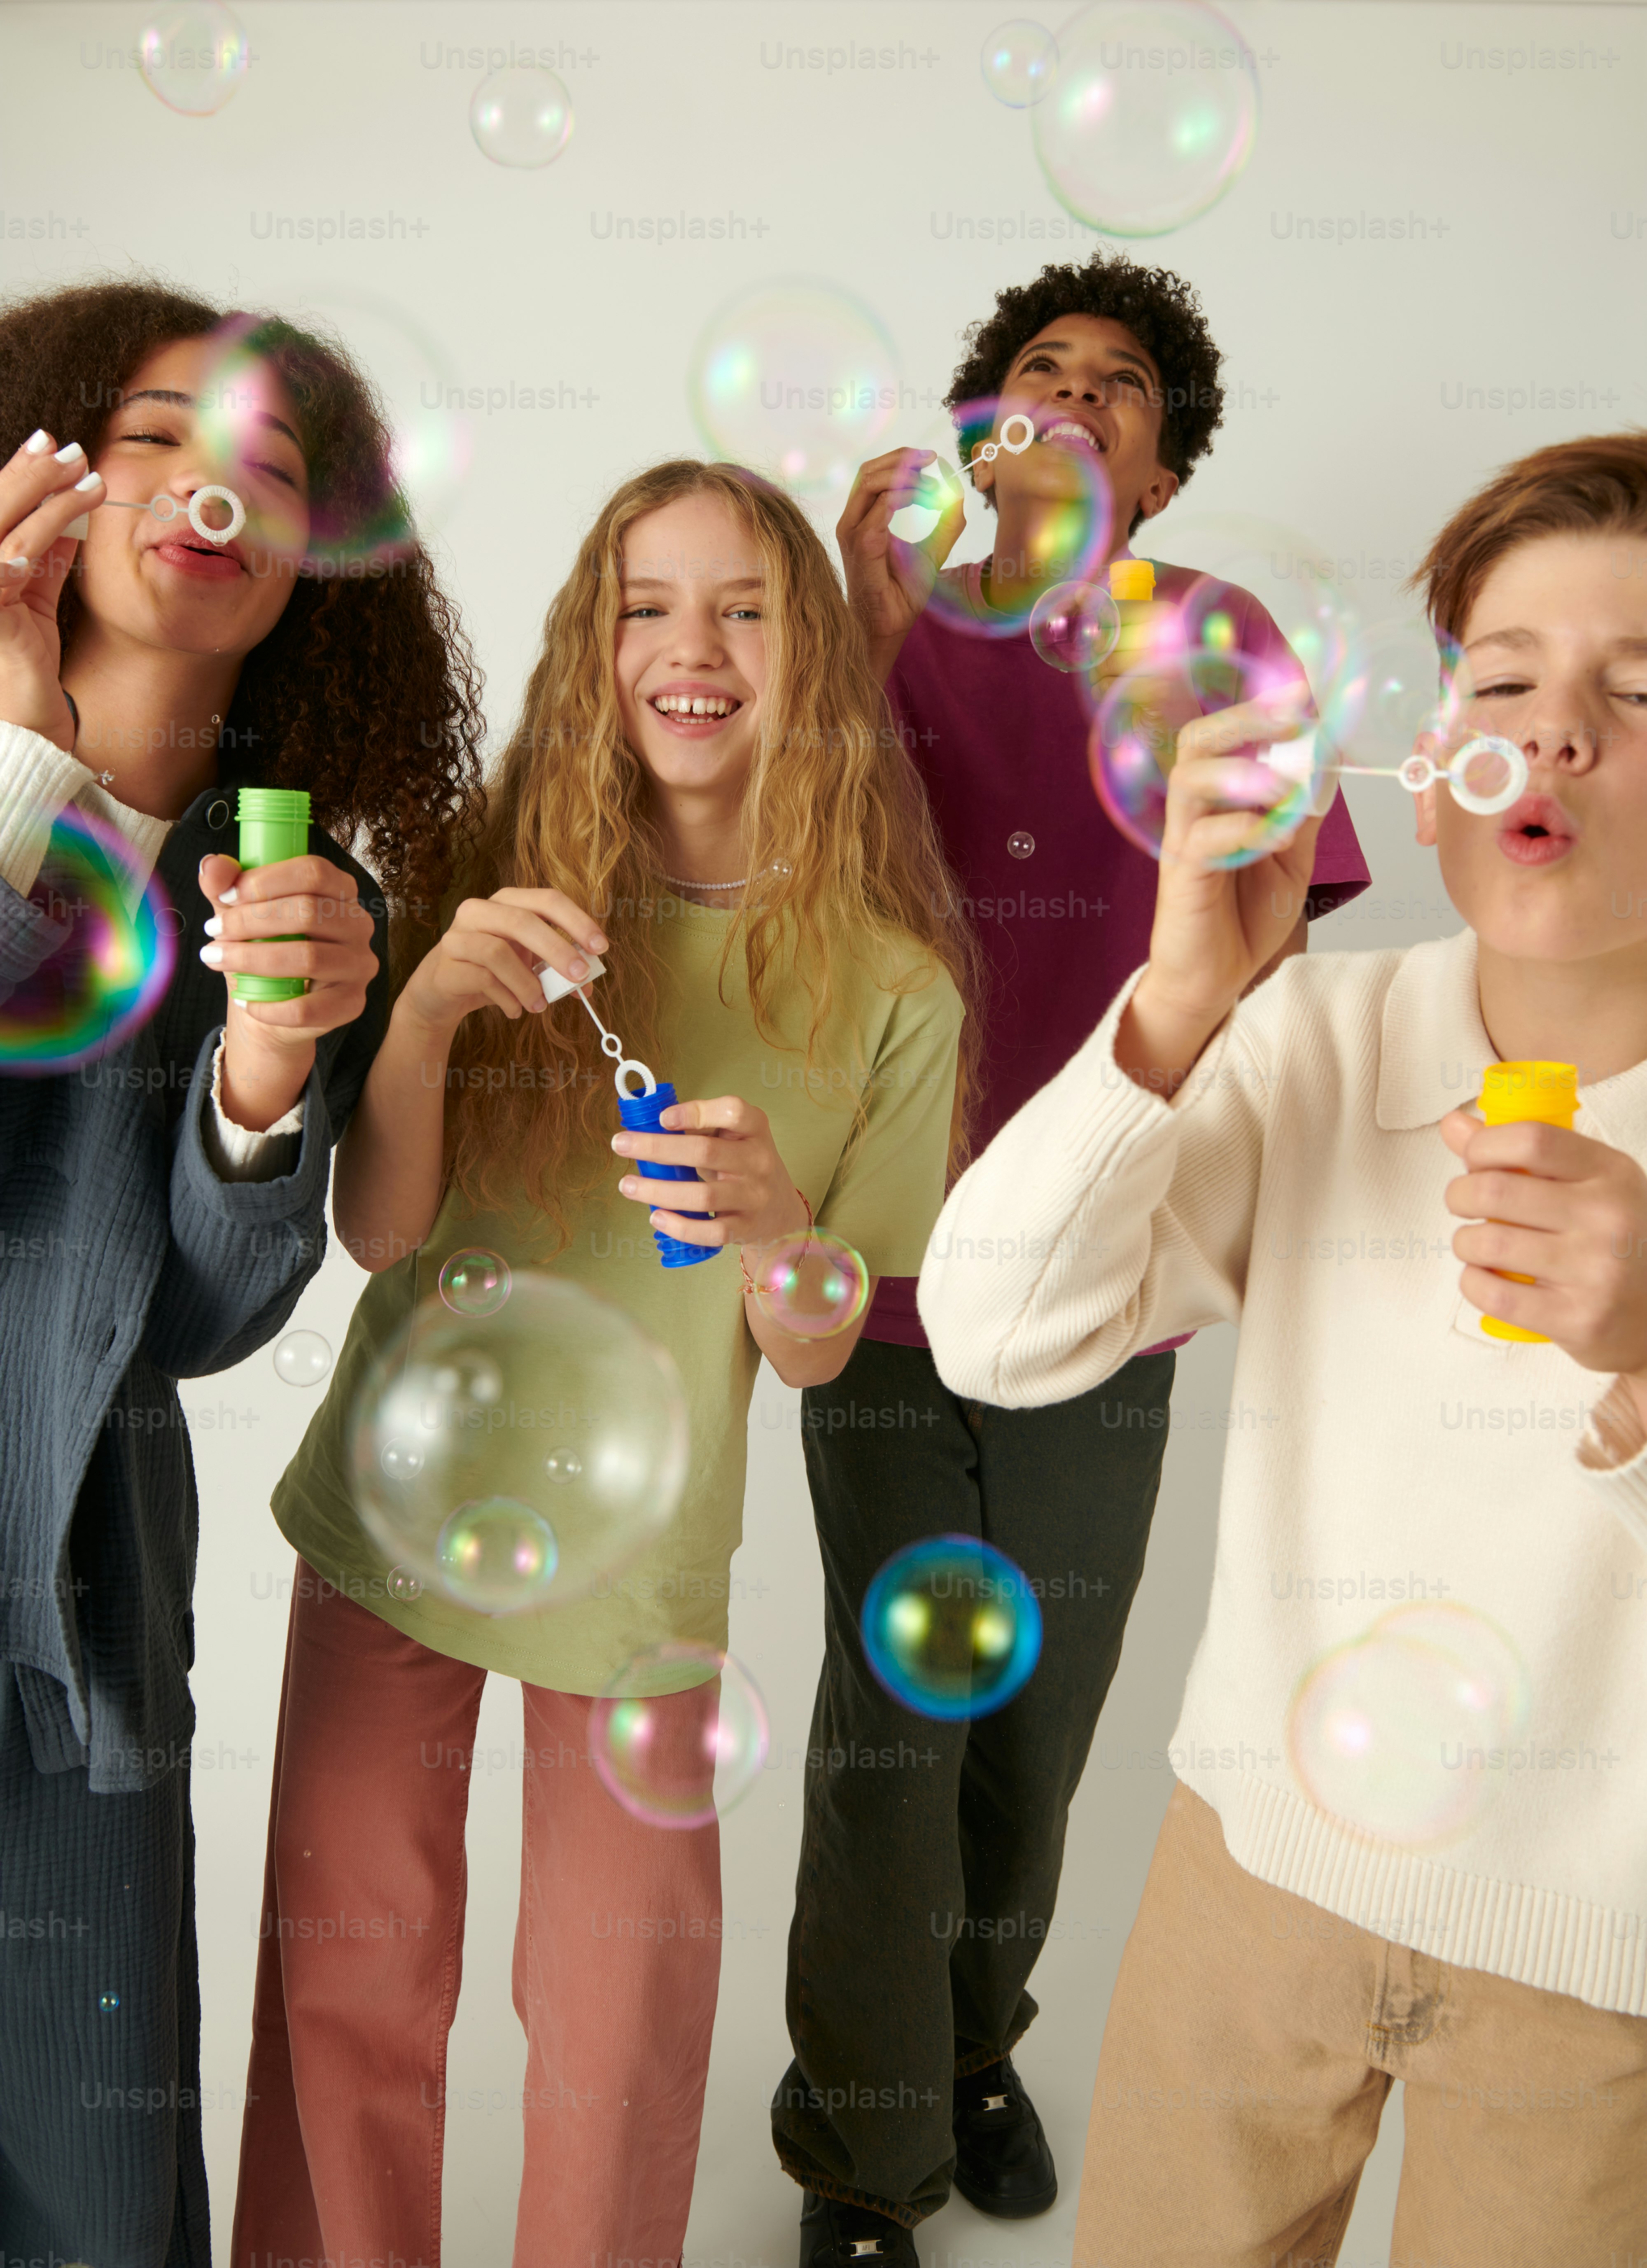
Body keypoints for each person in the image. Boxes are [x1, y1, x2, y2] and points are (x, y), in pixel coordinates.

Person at [231, 457, 977, 2267]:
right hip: (398, 1514)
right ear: (596, 644)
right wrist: (425, 1008)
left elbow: (811, 1347)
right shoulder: (497, 879)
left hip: (642, 1571)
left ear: (809, 650)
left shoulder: (891, 990)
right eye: (646, 606)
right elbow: (379, 1232)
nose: (690, 649)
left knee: (620, 2027)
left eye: (742, 607)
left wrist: (776, 1224)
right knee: (348, 1990)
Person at [920, 432, 1647, 2266]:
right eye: (1503, 680)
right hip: (1249, 1887)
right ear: (1428, 776)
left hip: (1601, 1979)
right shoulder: (1317, 1033)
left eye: (1637, 693)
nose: (1554, 731)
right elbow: (992, 1329)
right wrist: (1172, 1012)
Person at [771, 250, 1371, 2259]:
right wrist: (854, 629)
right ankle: (863, 2152)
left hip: (1110, 1272)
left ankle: (963, 2047)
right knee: (891, 1732)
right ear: (977, 424)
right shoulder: (871, 630)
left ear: (1164, 470)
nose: (1073, 398)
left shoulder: (1218, 637)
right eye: (1038, 369)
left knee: (1037, 1717)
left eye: (1119, 387)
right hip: (875, 1256)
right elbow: (764, 870)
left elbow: (1276, 937)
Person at [0, 278, 484, 2266]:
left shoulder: (298, 893)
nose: (214, 494)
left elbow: (195, 1321)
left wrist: (268, 1075)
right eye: (161, 438)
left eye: (276, 477)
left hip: (76, 1611)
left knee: (101, 2210)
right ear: (50, 468)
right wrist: (22, 768)